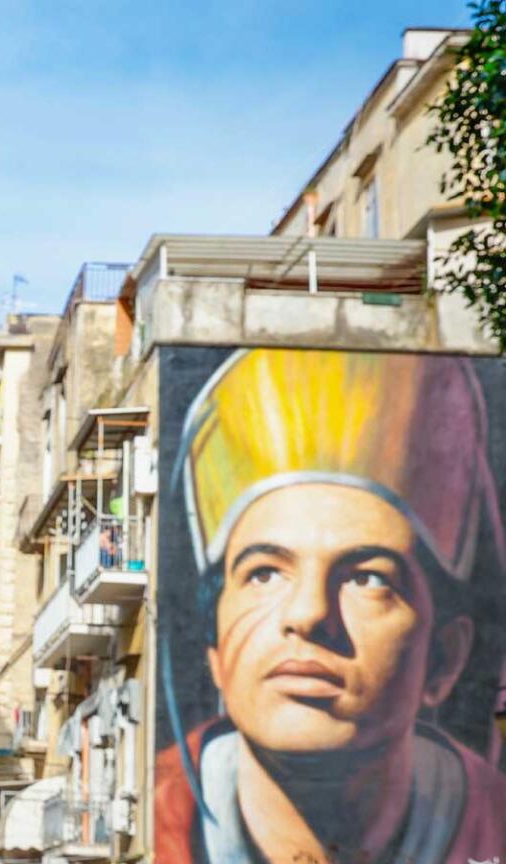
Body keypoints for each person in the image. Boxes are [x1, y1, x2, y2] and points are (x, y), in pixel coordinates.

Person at [156, 348, 506, 864]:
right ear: (212, 642)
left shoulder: (493, 824)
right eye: (265, 572)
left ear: (444, 657)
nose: (309, 614)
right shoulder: (161, 812)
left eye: (368, 577)